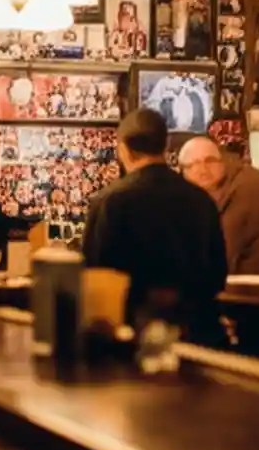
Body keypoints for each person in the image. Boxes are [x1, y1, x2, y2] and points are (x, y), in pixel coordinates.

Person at [83, 109, 227, 335]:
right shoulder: (201, 200)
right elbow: (217, 275)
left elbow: (97, 280)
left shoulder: (109, 202)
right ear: (166, 146)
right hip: (197, 335)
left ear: (123, 150)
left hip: (132, 339)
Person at [179, 135, 259, 275]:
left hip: (248, 289)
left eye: (209, 161)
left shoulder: (245, 188)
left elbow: (221, 257)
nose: (202, 170)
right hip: (255, 285)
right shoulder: (232, 183)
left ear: (221, 160)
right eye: (193, 165)